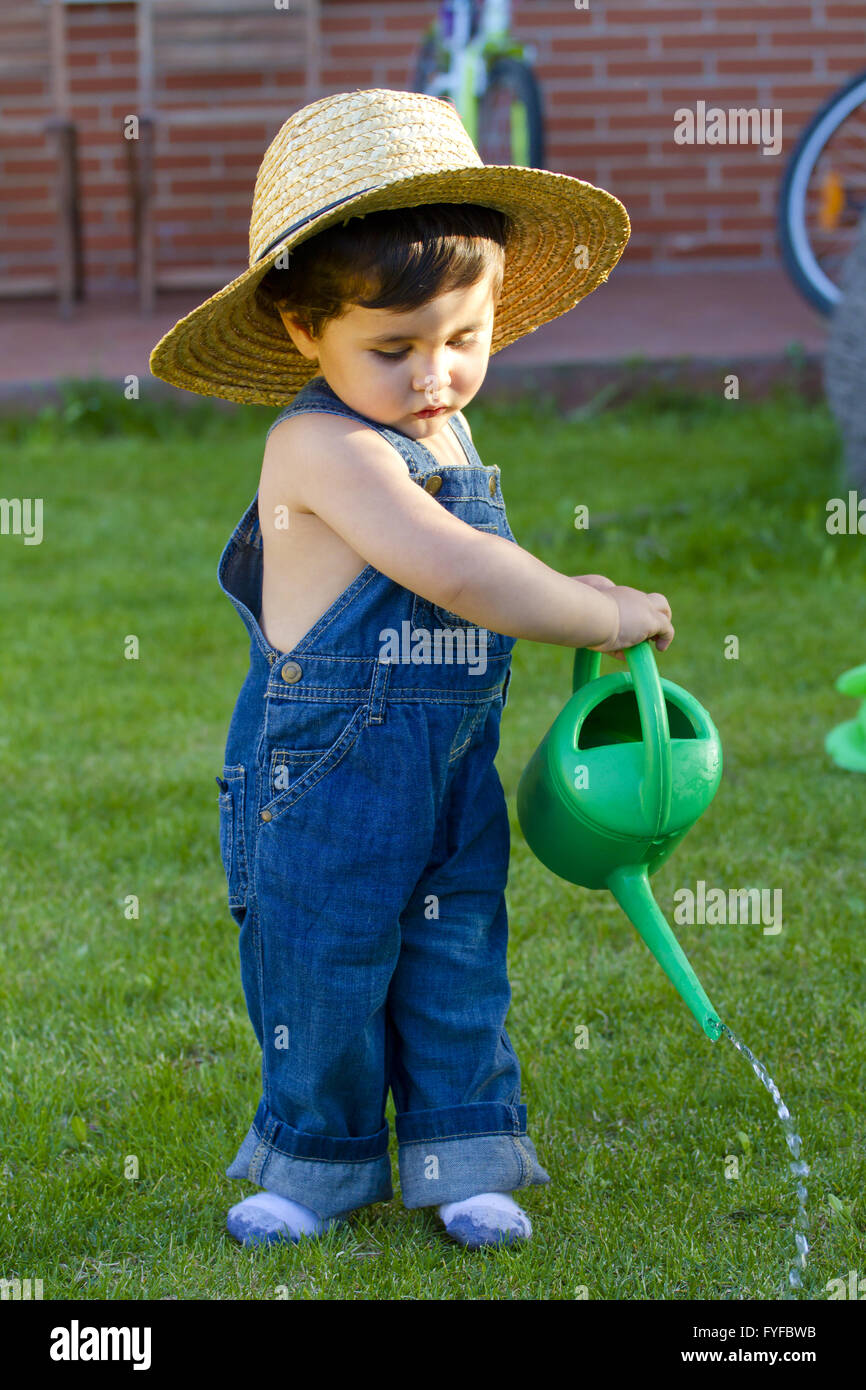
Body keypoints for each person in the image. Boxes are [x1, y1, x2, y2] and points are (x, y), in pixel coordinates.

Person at [149, 88, 674, 1250]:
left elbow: (492, 558)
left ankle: (464, 1149)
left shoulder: (441, 427)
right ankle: (316, 1158)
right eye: (393, 349)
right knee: (325, 969)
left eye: (463, 340)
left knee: (455, 954)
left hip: (444, 767)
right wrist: (592, 606)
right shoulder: (317, 446)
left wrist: (573, 594)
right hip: (324, 781)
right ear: (302, 332)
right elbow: (459, 571)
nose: (434, 375)